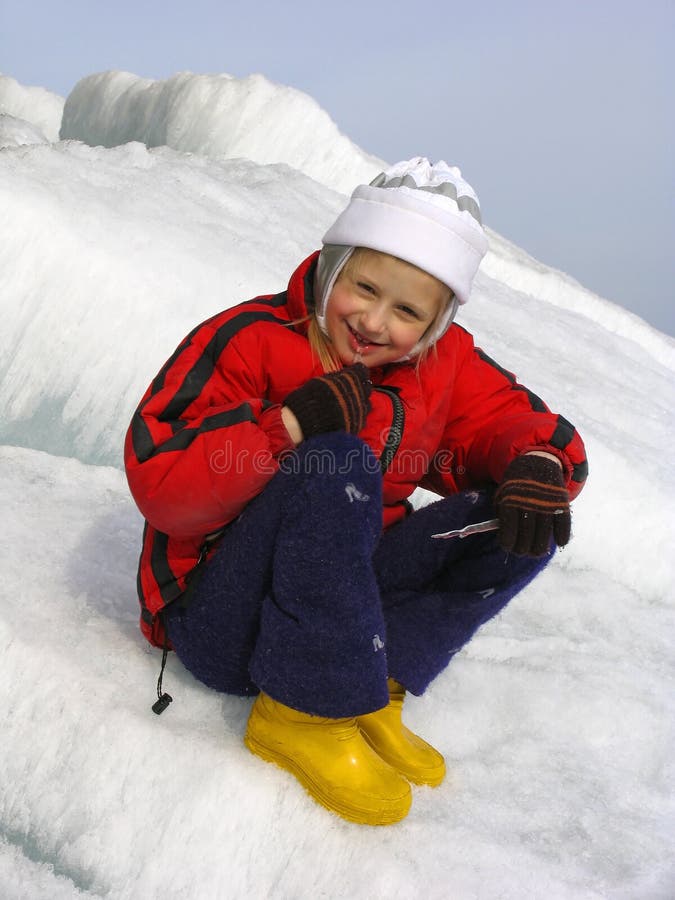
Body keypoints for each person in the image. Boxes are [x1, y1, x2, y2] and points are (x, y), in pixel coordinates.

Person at [124, 157, 587, 826]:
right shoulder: (252, 340)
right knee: (336, 460)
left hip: (338, 612)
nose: (373, 320)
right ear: (332, 265)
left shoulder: (440, 363)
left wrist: (537, 464)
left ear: (435, 322)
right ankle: (304, 713)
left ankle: (373, 688)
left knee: (515, 516)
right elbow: (163, 485)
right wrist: (284, 428)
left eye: (407, 311)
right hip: (217, 620)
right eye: (363, 287)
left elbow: (513, 424)